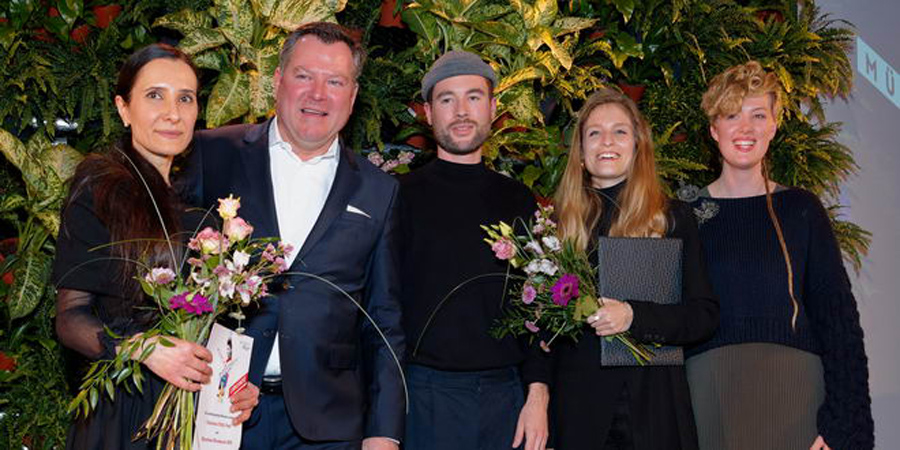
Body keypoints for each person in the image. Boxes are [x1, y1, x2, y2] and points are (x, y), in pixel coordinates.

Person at [185, 22, 405, 450]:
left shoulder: (380, 191)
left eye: (335, 81)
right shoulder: (211, 155)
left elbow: (385, 321)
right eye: (304, 76)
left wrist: (384, 432)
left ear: (353, 96)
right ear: (278, 81)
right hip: (218, 409)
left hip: (329, 425)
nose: (318, 94)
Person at [52, 43, 259, 449]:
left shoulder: (197, 215)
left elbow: (205, 336)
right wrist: (144, 348)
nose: (172, 113)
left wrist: (230, 386)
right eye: (154, 96)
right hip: (121, 415)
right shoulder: (100, 190)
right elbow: (69, 319)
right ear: (123, 108)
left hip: (187, 420)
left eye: (185, 98)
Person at [684, 61, 874, 450]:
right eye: (732, 114)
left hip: (796, 400)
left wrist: (841, 424)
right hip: (707, 401)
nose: (746, 128)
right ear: (713, 129)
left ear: (774, 126)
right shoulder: (683, 215)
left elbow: (838, 321)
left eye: (758, 115)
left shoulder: (801, 209)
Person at [550, 88, 718, 450]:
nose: (606, 141)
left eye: (620, 131)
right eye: (594, 132)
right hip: (579, 415)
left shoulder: (671, 218)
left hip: (654, 410)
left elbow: (703, 316)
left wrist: (633, 316)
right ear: (579, 151)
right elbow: (539, 337)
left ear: (638, 145)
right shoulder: (556, 228)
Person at [398, 51, 550, 450]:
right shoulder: (398, 197)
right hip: (422, 395)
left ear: (494, 108)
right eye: (447, 100)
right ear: (428, 113)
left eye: (474, 97)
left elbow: (538, 308)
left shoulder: (519, 200)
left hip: (506, 397)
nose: (461, 111)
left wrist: (538, 393)